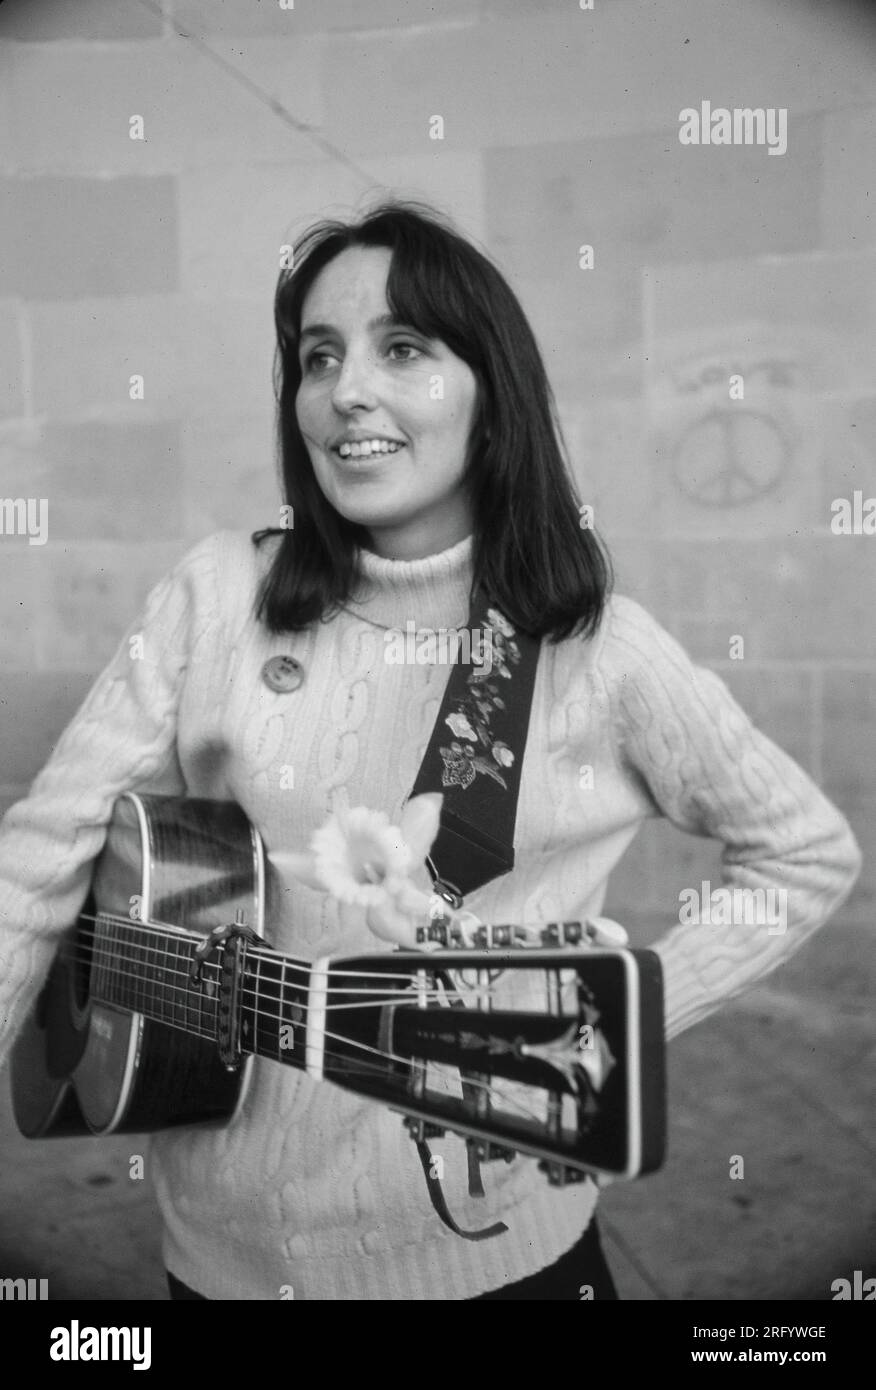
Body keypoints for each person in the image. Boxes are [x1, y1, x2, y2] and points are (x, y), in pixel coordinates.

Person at [0, 200, 860, 1302]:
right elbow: (46, 854)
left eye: (402, 347)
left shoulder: (595, 654)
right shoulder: (218, 594)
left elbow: (804, 853)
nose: (346, 389)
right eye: (320, 356)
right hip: (220, 1260)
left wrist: (628, 1013)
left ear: (491, 395)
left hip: (492, 1257)